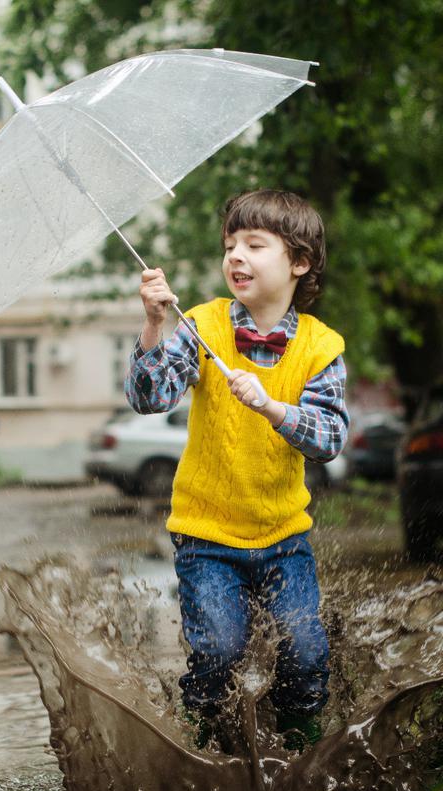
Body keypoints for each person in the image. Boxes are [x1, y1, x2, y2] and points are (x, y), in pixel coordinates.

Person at [125, 189, 349, 752]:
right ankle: (202, 745)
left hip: (282, 535)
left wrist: (272, 407)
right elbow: (150, 398)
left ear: (299, 262)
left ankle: (302, 750)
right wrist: (154, 326)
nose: (236, 257)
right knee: (219, 650)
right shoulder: (201, 325)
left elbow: (329, 440)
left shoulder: (321, 347)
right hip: (206, 534)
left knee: (305, 649)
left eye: (254, 245)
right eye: (230, 246)